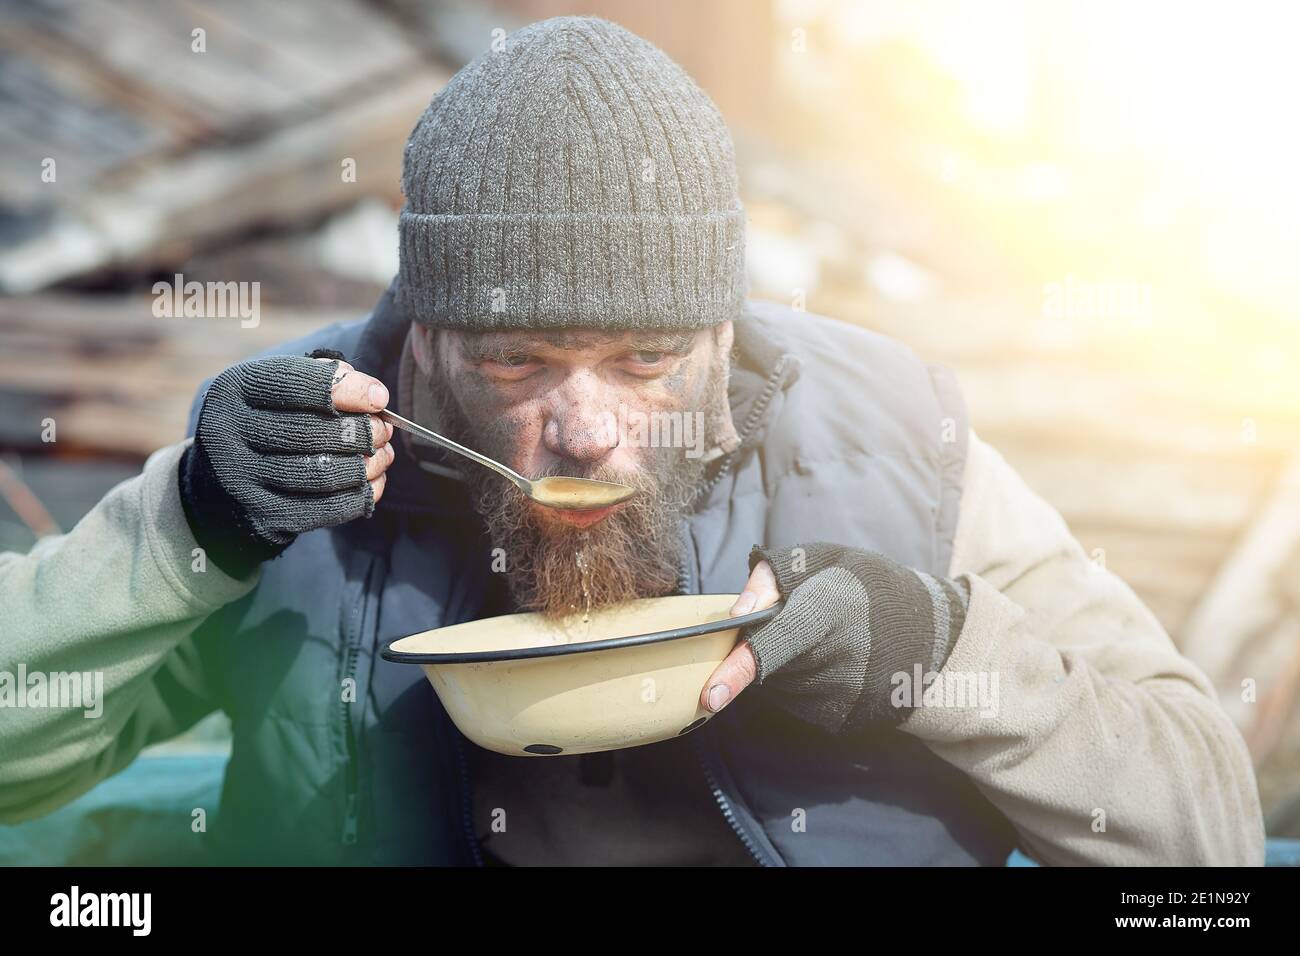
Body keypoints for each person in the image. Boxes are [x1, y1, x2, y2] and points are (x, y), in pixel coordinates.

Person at [0, 16, 1264, 866]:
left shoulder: (890, 443)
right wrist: (186, 532)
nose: (587, 428)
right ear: (428, 338)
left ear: (722, 327)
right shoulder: (302, 449)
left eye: (645, 358)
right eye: (518, 361)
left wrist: (940, 653)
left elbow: (1205, 829)